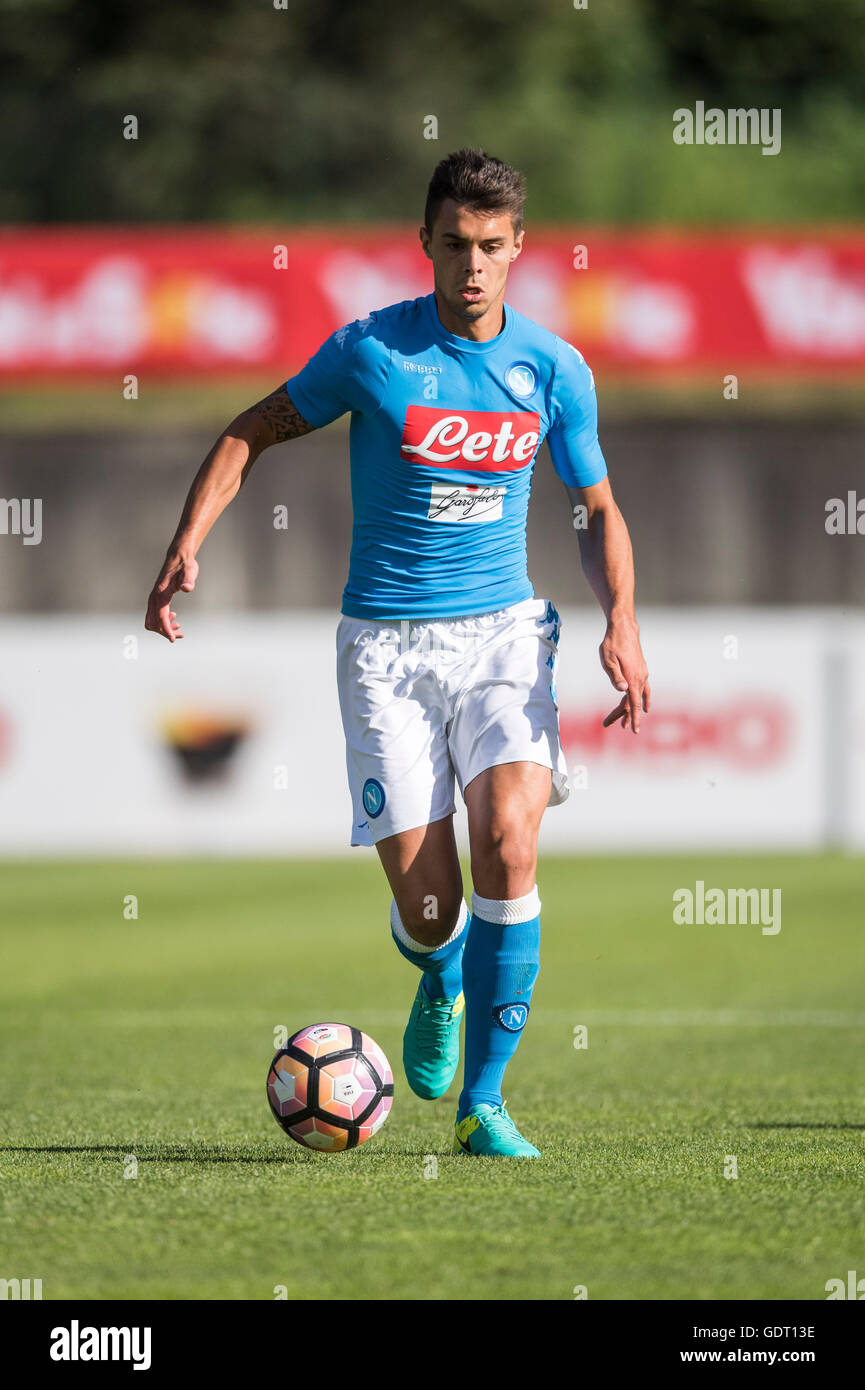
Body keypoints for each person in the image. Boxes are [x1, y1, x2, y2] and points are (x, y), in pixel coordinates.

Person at [145, 148, 650, 1158]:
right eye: (455, 245)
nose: (473, 267)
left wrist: (621, 620)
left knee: (510, 840)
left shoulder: (553, 369)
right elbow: (250, 431)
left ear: (519, 250)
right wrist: (187, 541)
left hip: (504, 634)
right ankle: (434, 965)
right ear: (425, 242)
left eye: (492, 249)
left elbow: (593, 506)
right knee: (431, 908)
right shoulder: (370, 353)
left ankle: (484, 1103)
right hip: (384, 647)